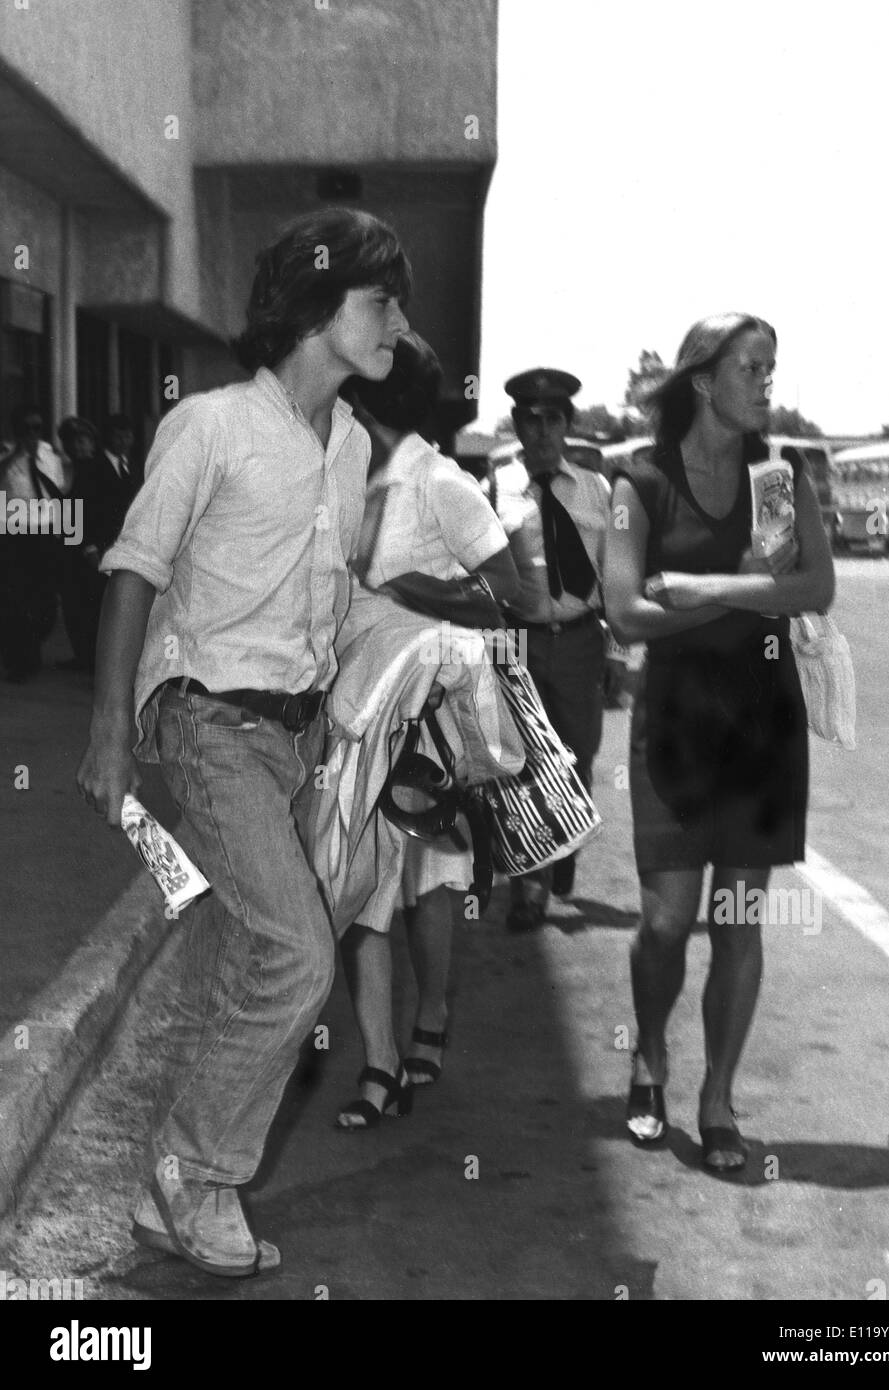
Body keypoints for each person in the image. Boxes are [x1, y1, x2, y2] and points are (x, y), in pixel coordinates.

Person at [76, 207, 411, 1275]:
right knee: (297, 953)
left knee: (266, 957)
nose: (399, 323)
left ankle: (176, 1192)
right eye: (381, 300)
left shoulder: (353, 443)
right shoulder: (212, 425)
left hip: (292, 737)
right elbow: (134, 568)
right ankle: (191, 1167)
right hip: (205, 718)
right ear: (317, 309)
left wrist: (422, 663)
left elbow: (325, 606)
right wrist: (108, 735)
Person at [603, 312, 835, 1173]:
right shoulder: (642, 481)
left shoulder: (773, 477)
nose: (766, 384)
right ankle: (647, 1055)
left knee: (737, 920)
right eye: (752, 368)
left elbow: (810, 586)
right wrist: (746, 592)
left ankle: (716, 1098)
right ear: (703, 380)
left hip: (760, 727)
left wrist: (699, 584)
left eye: (771, 369)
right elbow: (625, 610)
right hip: (675, 725)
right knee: (665, 922)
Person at [331, 331, 521, 1126]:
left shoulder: (442, 482)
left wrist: (412, 590)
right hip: (345, 712)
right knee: (356, 885)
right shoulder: (338, 477)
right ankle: (379, 1063)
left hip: (420, 723)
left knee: (426, 881)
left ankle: (431, 1014)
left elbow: (507, 598)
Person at [491, 368, 612, 930]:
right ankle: (530, 885)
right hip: (520, 641)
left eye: (552, 420)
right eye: (531, 421)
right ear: (518, 425)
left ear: (568, 425)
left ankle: (565, 849)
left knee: (578, 755)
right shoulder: (495, 488)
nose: (541, 432)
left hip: (582, 641)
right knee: (522, 762)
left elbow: (614, 573)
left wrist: (617, 653)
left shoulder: (597, 490)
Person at [0, 404, 65, 681]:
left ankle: (29, 647)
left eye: (36, 427)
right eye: (26, 428)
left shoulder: (51, 457)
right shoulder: (4, 455)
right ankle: (23, 659)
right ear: (15, 430)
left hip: (45, 533)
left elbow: (58, 493)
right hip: (14, 532)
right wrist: (15, 455)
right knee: (17, 598)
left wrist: (66, 529)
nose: (32, 433)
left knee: (44, 598)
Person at [56, 416, 104, 673]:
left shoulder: (98, 470)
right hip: (68, 545)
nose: (77, 446)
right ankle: (81, 656)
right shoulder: (65, 469)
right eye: (71, 442)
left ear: (92, 442)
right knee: (73, 602)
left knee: (91, 603)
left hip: (90, 547)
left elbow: (95, 513)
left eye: (82, 440)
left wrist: (90, 546)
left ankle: (93, 660)